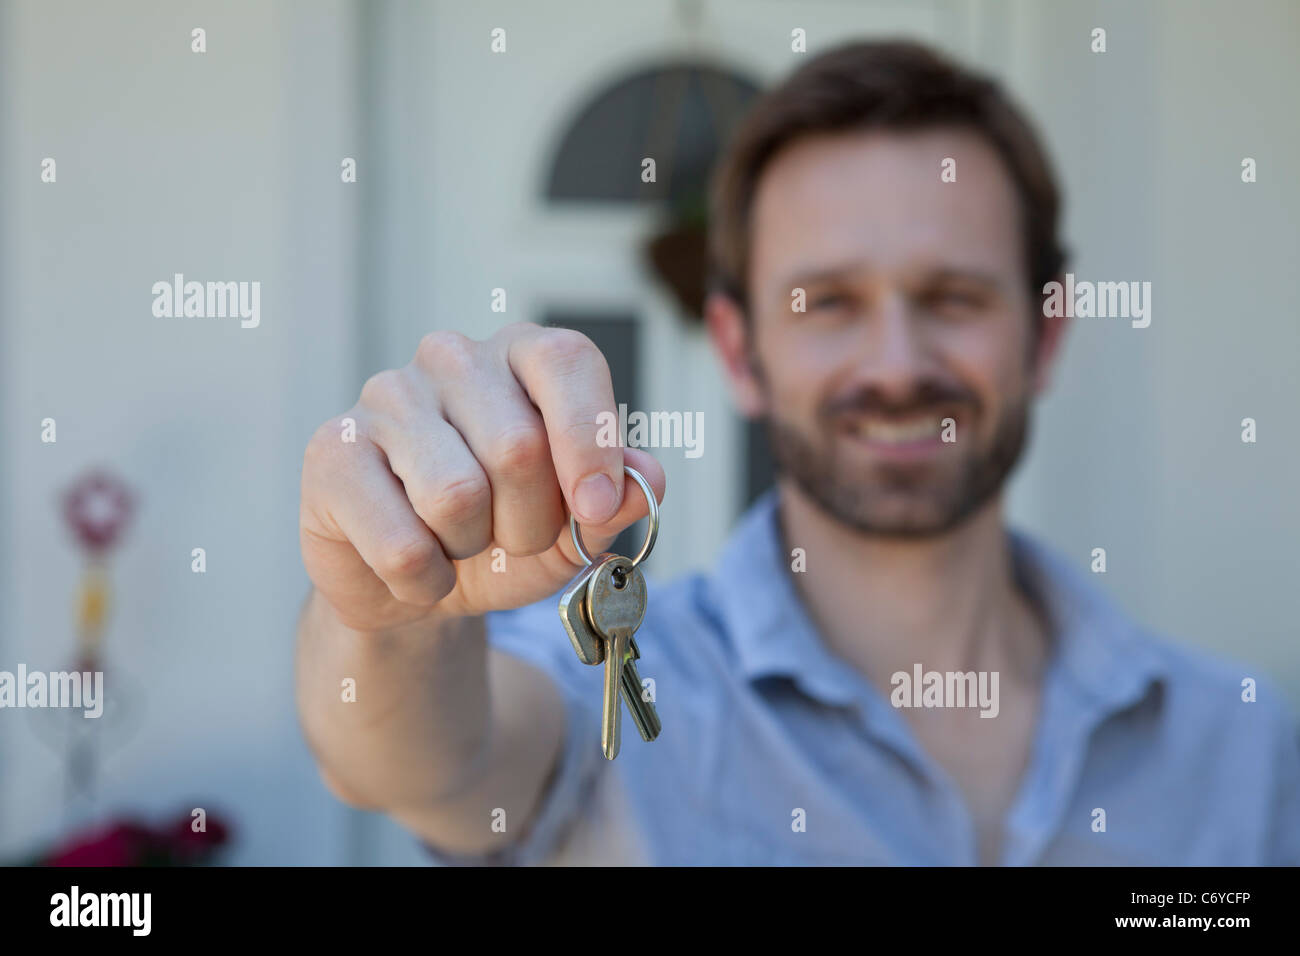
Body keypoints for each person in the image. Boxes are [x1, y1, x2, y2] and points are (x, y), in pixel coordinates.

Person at [294, 40, 1300, 865]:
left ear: (1045, 331)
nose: (896, 364)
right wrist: (390, 609)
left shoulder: (1249, 748)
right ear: (739, 349)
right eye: (828, 303)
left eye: (954, 296)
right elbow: (422, 763)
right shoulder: (606, 685)